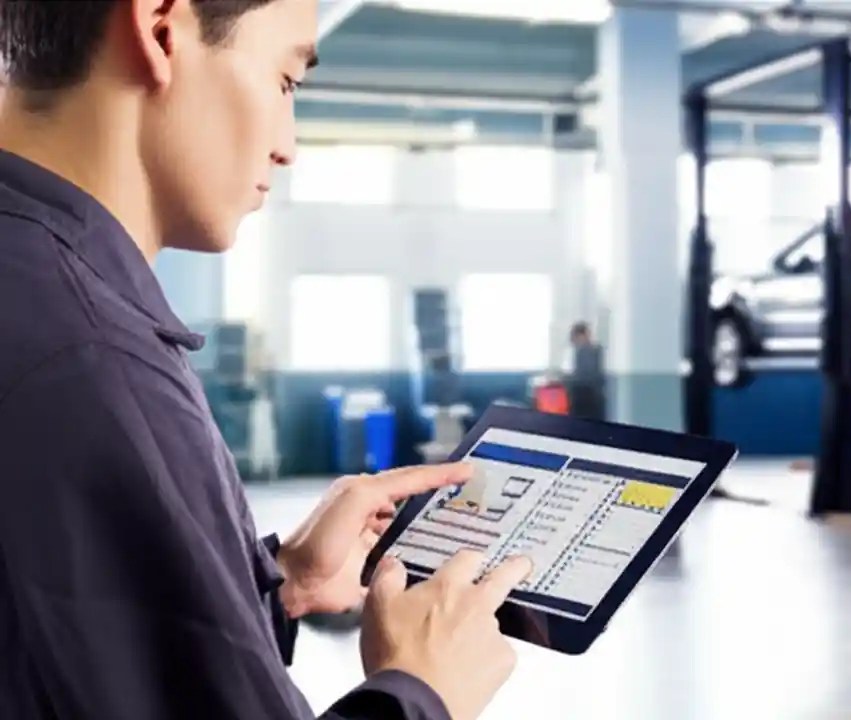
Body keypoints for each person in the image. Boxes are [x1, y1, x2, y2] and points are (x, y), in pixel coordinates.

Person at [0, 2, 530, 719]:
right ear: (161, 31)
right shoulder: (94, 363)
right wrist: (422, 690)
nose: (288, 147)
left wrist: (279, 583)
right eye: (285, 81)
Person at [564, 321, 606, 421]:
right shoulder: (588, 351)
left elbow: (584, 377)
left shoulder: (588, 351)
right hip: (590, 397)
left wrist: (565, 379)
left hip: (587, 398)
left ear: (581, 335)